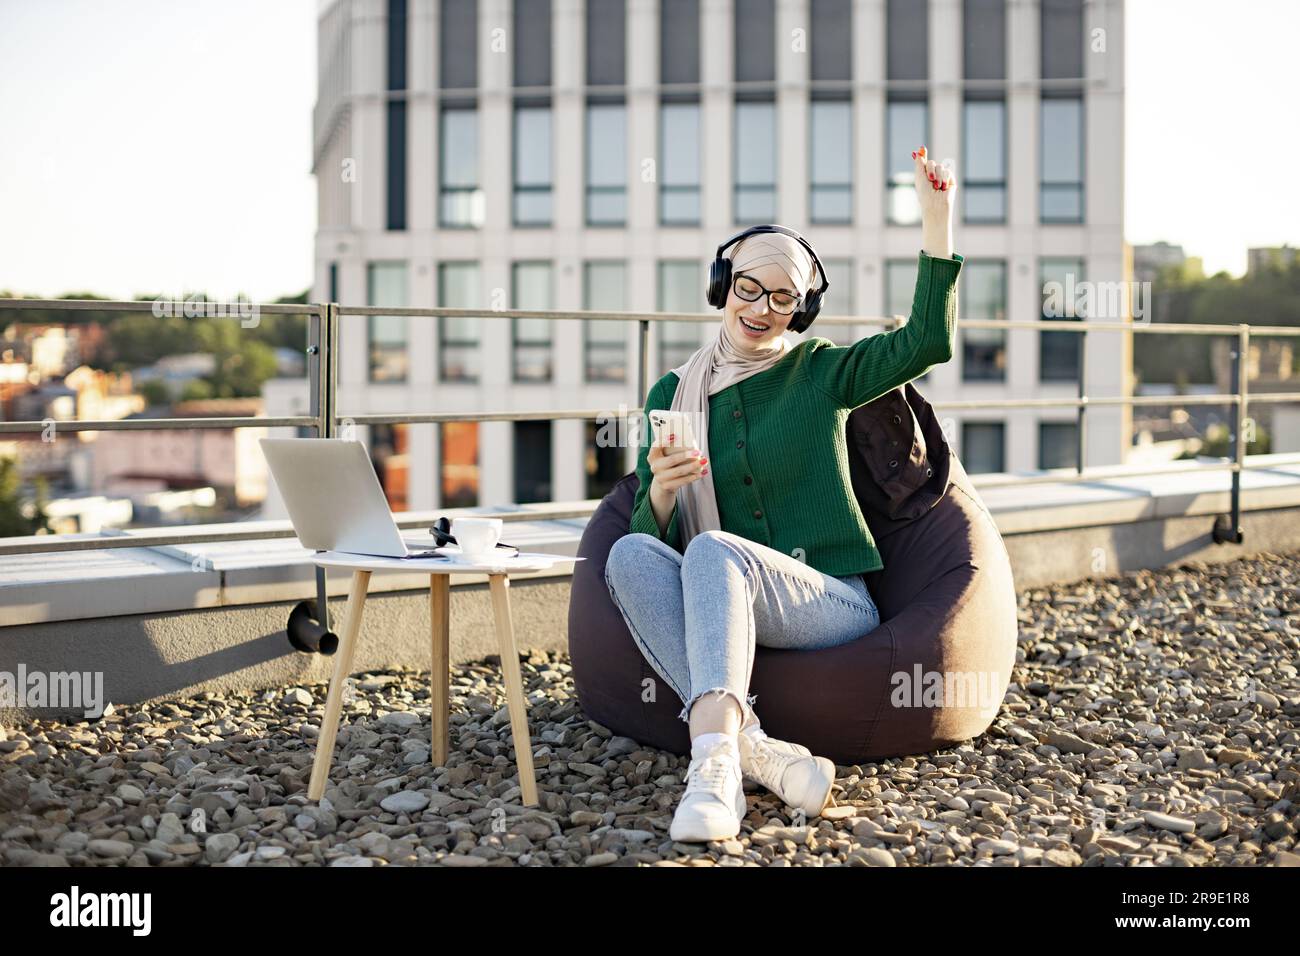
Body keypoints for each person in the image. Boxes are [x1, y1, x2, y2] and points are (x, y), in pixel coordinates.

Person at [604, 147, 963, 843]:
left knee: (713, 551)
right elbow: (655, 535)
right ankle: (752, 750)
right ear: (722, 286)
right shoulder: (672, 394)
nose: (761, 308)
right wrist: (667, 493)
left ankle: (711, 774)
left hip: (826, 599)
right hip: (722, 593)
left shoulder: (823, 371)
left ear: (800, 309)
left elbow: (926, 340)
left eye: (782, 297)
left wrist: (936, 216)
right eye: (748, 288)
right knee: (626, 556)